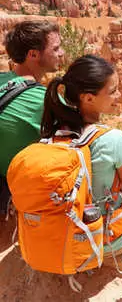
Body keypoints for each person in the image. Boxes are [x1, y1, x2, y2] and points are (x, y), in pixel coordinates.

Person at [41, 54, 122, 257]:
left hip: (64, 234)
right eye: (112, 91)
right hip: (101, 239)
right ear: (88, 98)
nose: (119, 95)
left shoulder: (54, 134)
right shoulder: (113, 139)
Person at [0, 20, 64, 214]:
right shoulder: (46, 101)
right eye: (56, 48)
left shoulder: (3, 78)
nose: (61, 53)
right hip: (11, 192)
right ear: (33, 54)